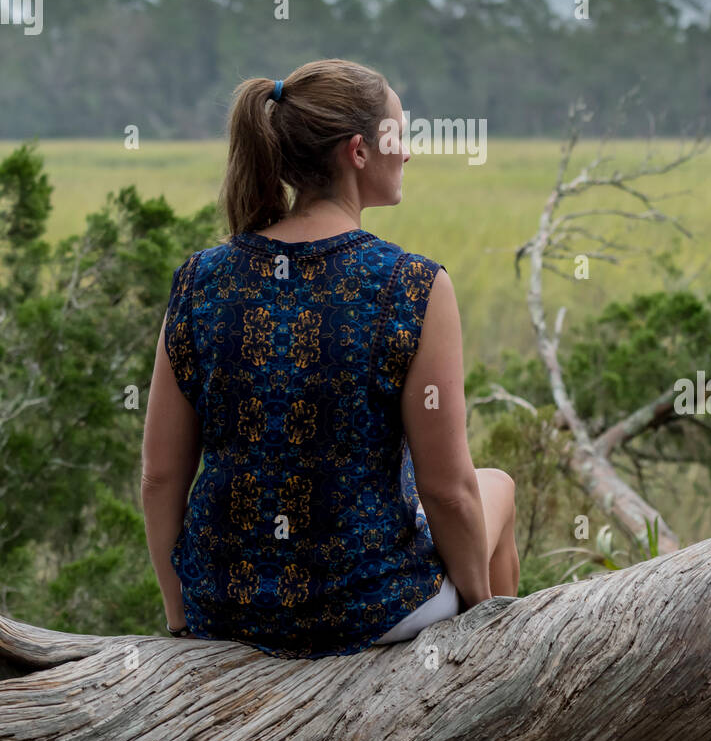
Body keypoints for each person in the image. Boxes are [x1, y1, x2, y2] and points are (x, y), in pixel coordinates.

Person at [141, 58, 519, 658]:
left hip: (223, 607)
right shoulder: (411, 285)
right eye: (398, 134)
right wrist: (478, 606)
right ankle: (497, 658)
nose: (411, 153)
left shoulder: (200, 281)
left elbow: (161, 475)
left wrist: (180, 614)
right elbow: (447, 490)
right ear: (358, 152)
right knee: (495, 484)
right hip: (364, 607)